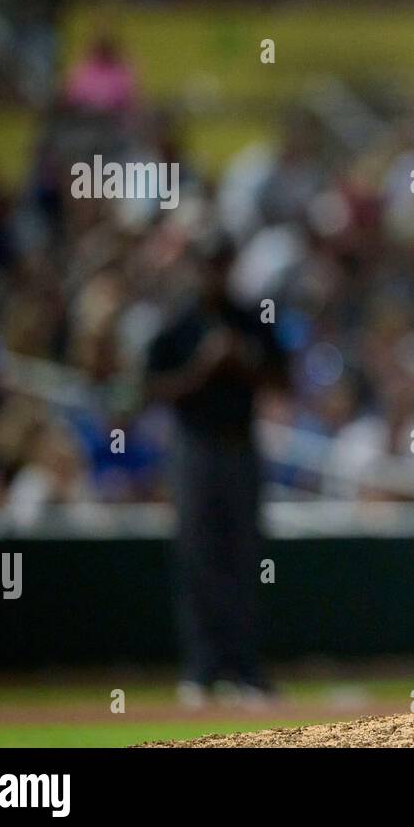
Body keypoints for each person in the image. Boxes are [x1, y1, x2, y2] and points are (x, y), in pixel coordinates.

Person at [145, 233, 287, 706]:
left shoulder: (249, 319)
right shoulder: (178, 323)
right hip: (195, 448)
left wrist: (242, 362)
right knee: (199, 557)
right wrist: (203, 368)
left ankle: (245, 669)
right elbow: (147, 389)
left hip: (240, 445)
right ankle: (202, 669)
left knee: (245, 558)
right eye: (208, 264)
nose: (215, 273)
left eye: (221, 263)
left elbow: (282, 379)